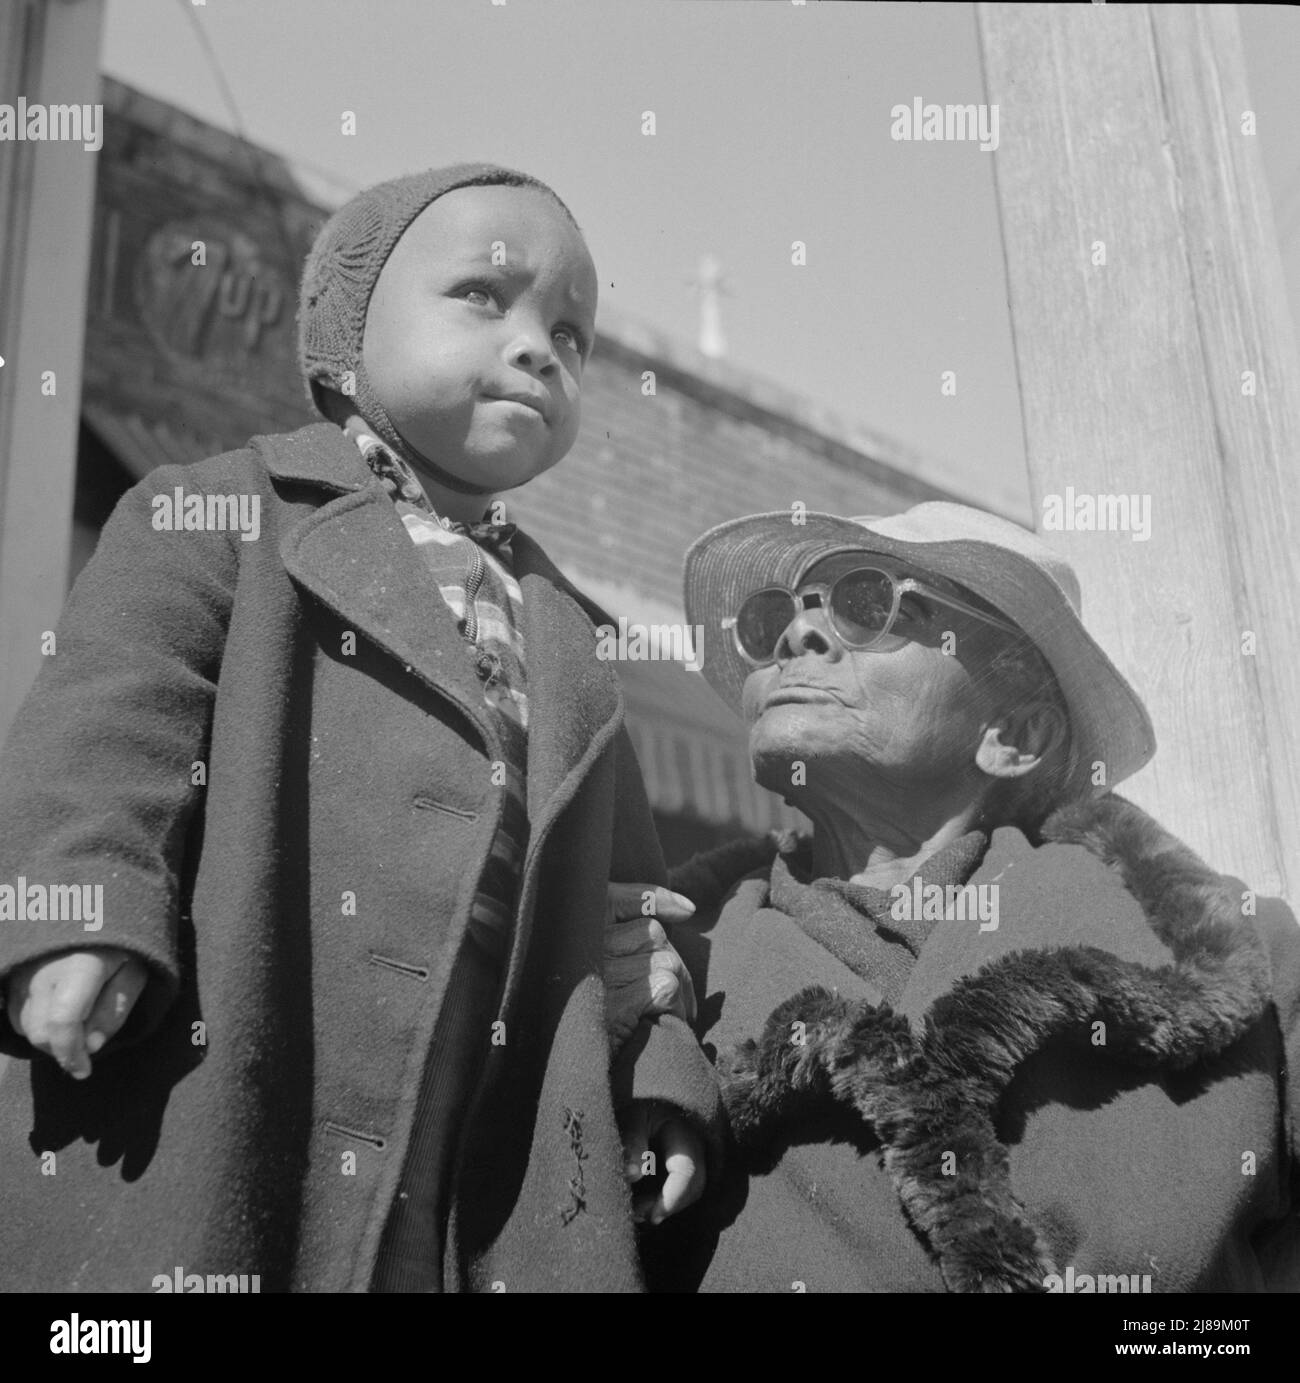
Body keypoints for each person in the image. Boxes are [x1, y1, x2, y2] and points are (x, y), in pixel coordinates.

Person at [0, 163, 714, 1293]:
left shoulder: (575, 635)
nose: (539, 347)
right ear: (345, 329)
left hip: (492, 1103)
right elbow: (109, 720)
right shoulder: (223, 512)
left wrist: (656, 1066)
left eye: (571, 335)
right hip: (248, 1038)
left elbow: (636, 906)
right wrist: (79, 910)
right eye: (484, 295)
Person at [641, 501, 1300, 1292]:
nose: (796, 636)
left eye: (867, 603)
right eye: (771, 618)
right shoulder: (661, 973)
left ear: (1015, 735)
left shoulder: (1235, 947)